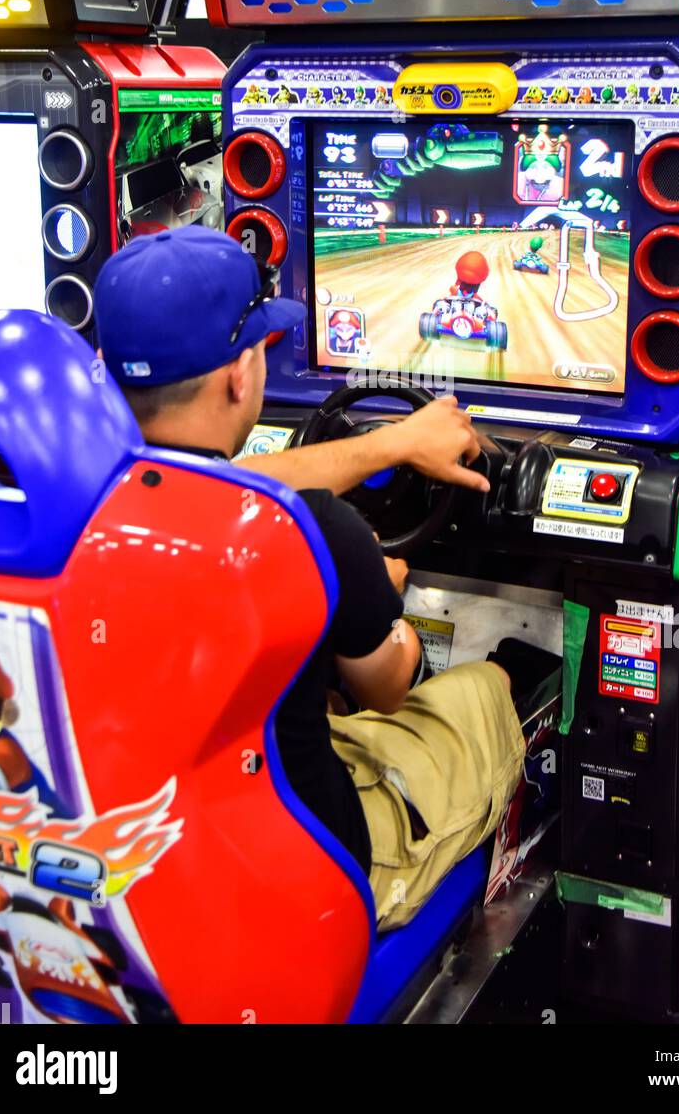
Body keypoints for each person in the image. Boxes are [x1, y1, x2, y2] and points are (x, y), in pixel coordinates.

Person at [94, 227, 525, 929]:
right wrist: (375, 590)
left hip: (127, 850)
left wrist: (389, 445)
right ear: (241, 375)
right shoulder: (316, 531)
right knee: (488, 686)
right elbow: (389, 689)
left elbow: (214, 480)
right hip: (305, 877)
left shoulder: (68, 505)